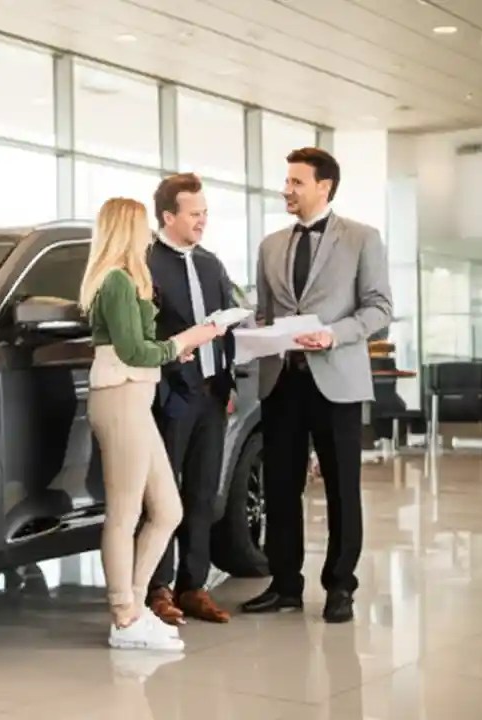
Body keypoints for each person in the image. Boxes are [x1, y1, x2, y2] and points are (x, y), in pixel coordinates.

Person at [240, 147, 392, 624]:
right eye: (286, 181)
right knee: (281, 488)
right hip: (282, 382)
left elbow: (379, 310)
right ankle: (285, 584)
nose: (286, 189)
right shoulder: (270, 245)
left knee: (343, 490)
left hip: (337, 381)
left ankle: (340, 587)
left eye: (296, 182)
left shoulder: (362, 239)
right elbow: (266, 314)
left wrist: (333, 334)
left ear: (323, 186)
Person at [79, 197, 224, 649]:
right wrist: (188, 339)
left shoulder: (125, 280)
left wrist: (170, 351)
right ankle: (125, 615)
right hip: (121, 397)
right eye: (141, 227)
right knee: (125, 514)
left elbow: (142, 349)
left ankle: (136, 606)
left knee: (168, 510)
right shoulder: (117, 281)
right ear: (127, 230)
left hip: (134, 398)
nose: (147, 237)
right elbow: (135, 351)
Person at [142, 173, 239, 626]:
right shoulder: (145, 262)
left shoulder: (211, 264)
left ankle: (193, 585)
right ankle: (156, 589)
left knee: (202, 491)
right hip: (169, 396)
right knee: (162, 497)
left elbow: (225, 325)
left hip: (212, 395)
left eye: (205, 213)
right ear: (168, 216)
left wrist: (228, 383)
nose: (203, 220)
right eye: (194, 213)